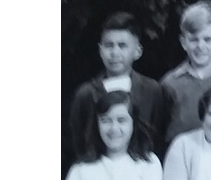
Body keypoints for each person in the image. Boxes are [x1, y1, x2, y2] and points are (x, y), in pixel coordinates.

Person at [67, 12, 166, 161]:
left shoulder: (152, 91)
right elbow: (76, 142)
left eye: (122, 46)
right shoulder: (86, 94)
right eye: (109, 45)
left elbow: (158, 136)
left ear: (137, 51)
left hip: (140, 172)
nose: (114, 52)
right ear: (100, 50)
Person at [160, 1, 211, 145]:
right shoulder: (170, 83)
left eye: (207, 39)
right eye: (193, 40)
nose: (200, 46)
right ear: (183, 42)